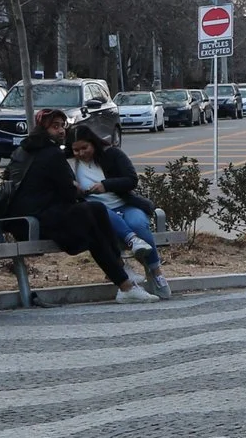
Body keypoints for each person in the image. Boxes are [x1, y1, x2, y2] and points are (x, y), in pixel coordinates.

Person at [9, 109, 156, 303]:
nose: (61, 131)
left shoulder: (30, 148)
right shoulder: (50, 153)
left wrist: (73, 187)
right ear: (43, 128)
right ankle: (124, 282)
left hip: (35, 216)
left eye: (63, 125)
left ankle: (124, 277)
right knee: (91, 221)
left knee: (94, 212)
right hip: (35, 221)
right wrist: (75, 187)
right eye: (55, 126)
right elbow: (68, 192)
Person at [71, 125, 169, 298]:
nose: (80, 153)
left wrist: (106, 185)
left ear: (93, 144)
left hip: (125, 203)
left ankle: (156, 273)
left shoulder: (112, 154)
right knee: (100, 211)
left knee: (138, 224)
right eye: (76, 150)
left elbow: (131, 179)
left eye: (84, 148)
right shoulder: (71, 163)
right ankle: (132, 242)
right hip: (99, 210)